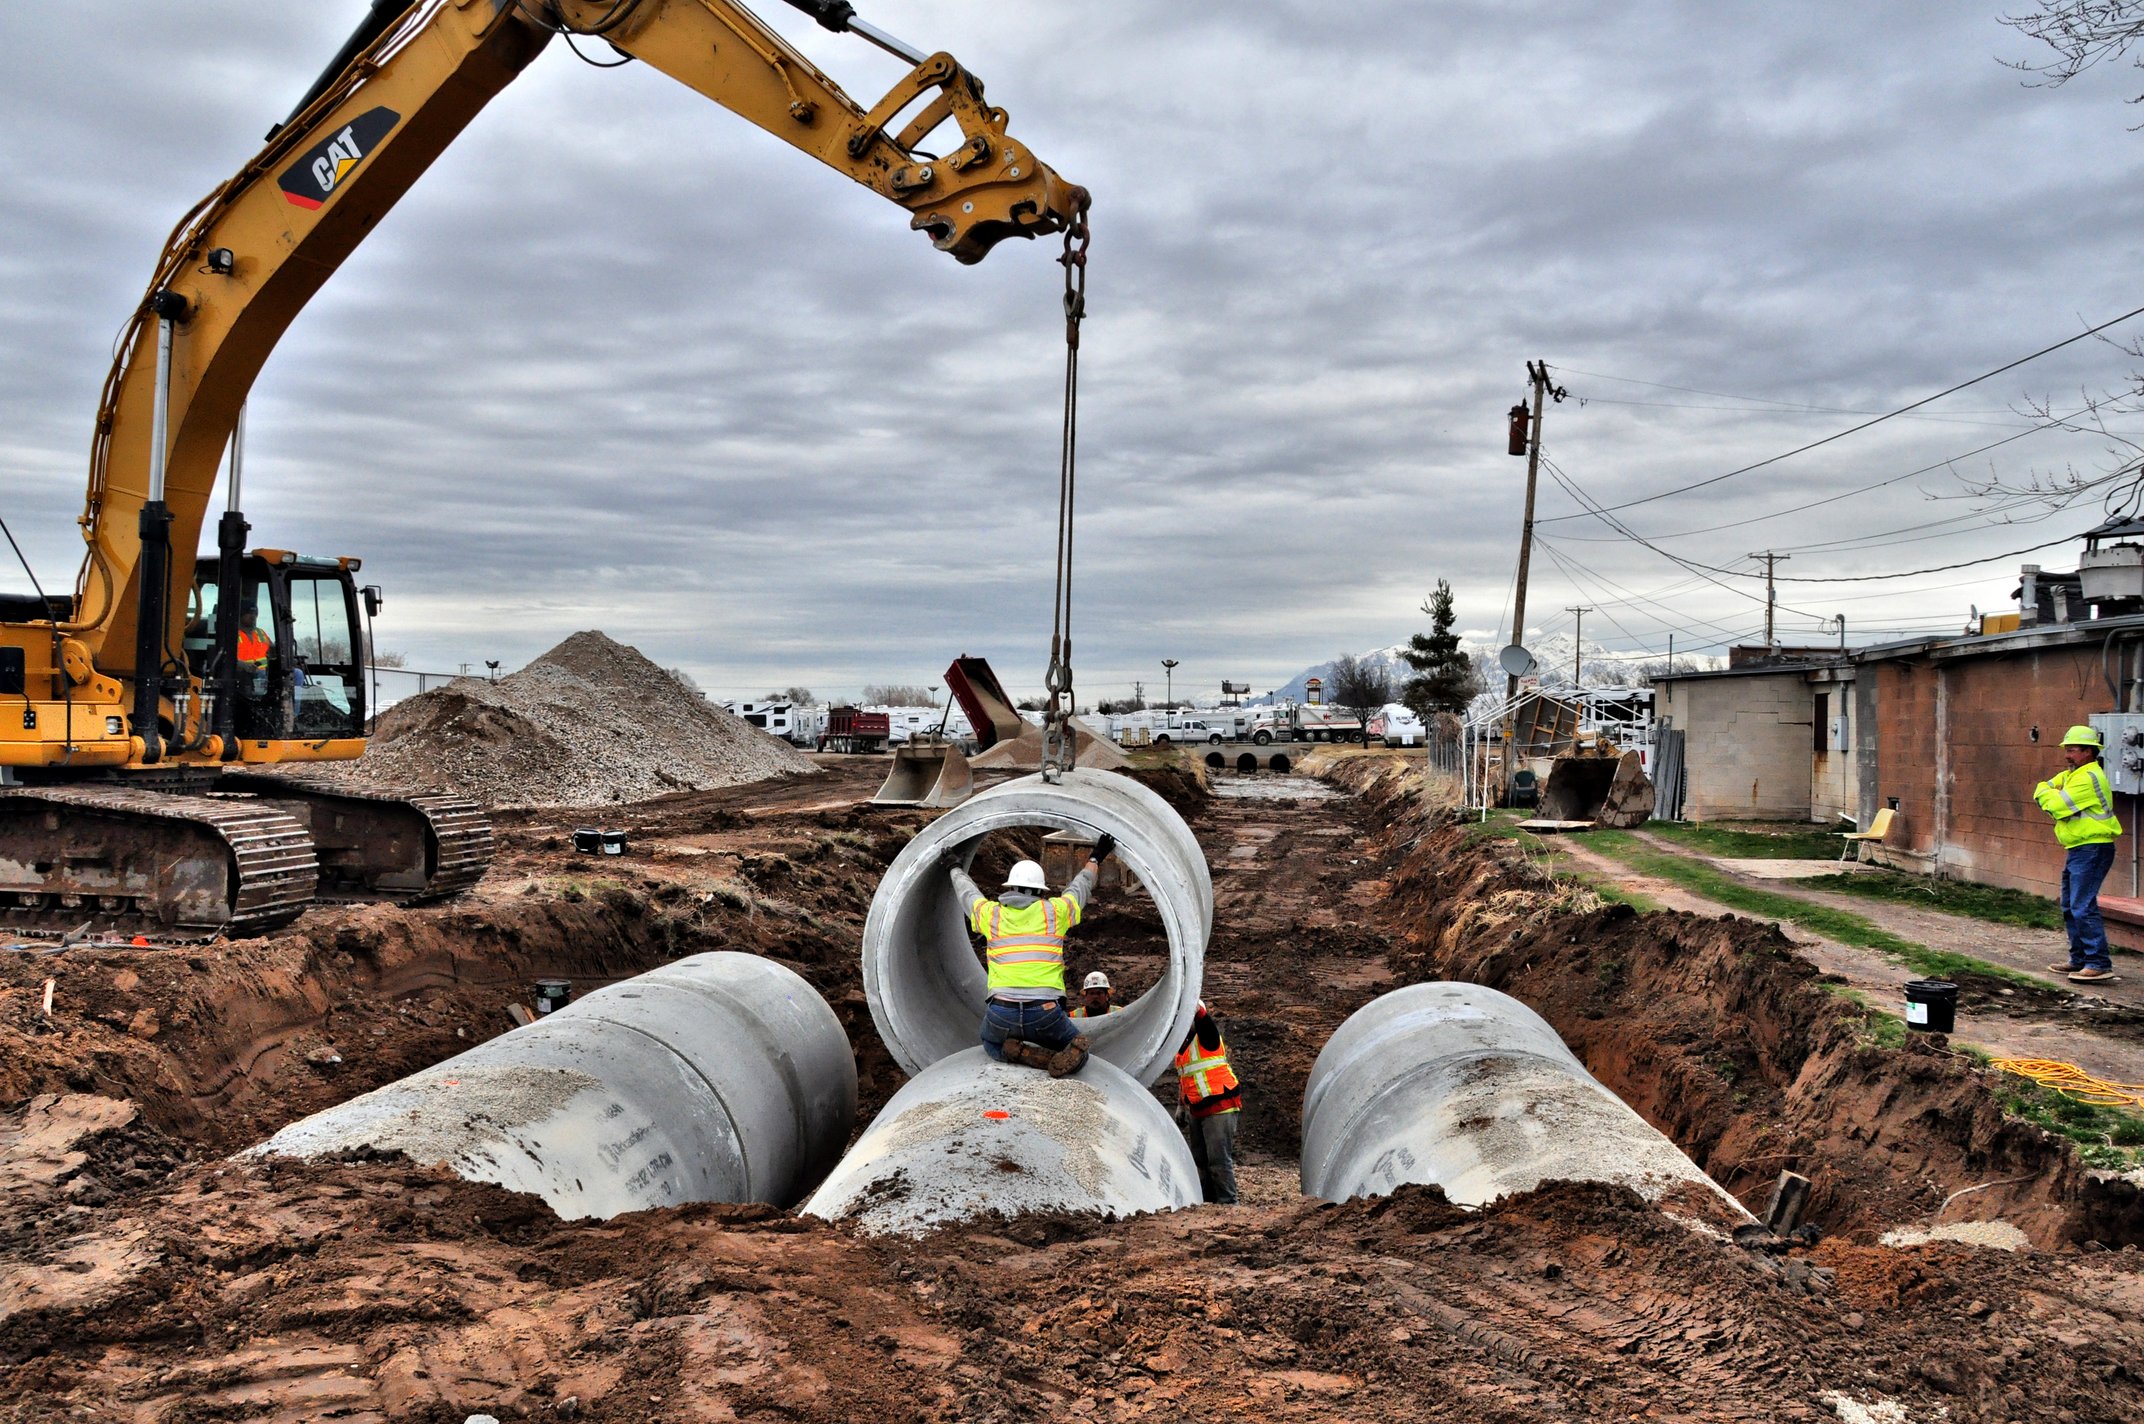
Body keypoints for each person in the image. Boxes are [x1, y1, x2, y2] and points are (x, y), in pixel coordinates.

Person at [947, 834, 1116, 1076]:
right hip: (1045, 1012)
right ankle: (1051, 1056)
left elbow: (968, 894)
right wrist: (1096, 856)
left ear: (1011, 887)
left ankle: (1021, 1053)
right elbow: (1081, 886)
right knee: (1079, 1052)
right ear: (1041, 891)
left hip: (1001, 1011)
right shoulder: (1054, 913)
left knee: (991, 1043)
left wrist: (954, 867)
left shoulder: (991, 915)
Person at [2036, 725, 2124, 984]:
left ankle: (2098, 962)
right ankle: (2080, 959)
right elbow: (2043, 789)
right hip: (2080, 848)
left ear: (2088, 752)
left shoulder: (2087, 778)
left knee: (2082, 905)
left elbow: (2055, 805)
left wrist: (2048, 794)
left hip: (2092, 848)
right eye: (2067, 749)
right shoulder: (2074, 775)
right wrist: (2047, 791)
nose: (2067, 755)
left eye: (2073, 750)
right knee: (2070, 904)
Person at [1175, 1000, 1241, 1204]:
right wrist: (1181, 1106)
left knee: (1218, 1161)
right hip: (1197, 1108)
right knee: (1201, 1161)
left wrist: (1196, 1009)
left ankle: (1229, 1203)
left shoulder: (1207, 1037)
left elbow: (1205, 1023)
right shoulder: (1182, 1045)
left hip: (1219, 1105)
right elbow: (1186, 1078)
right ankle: (1209, 1204)